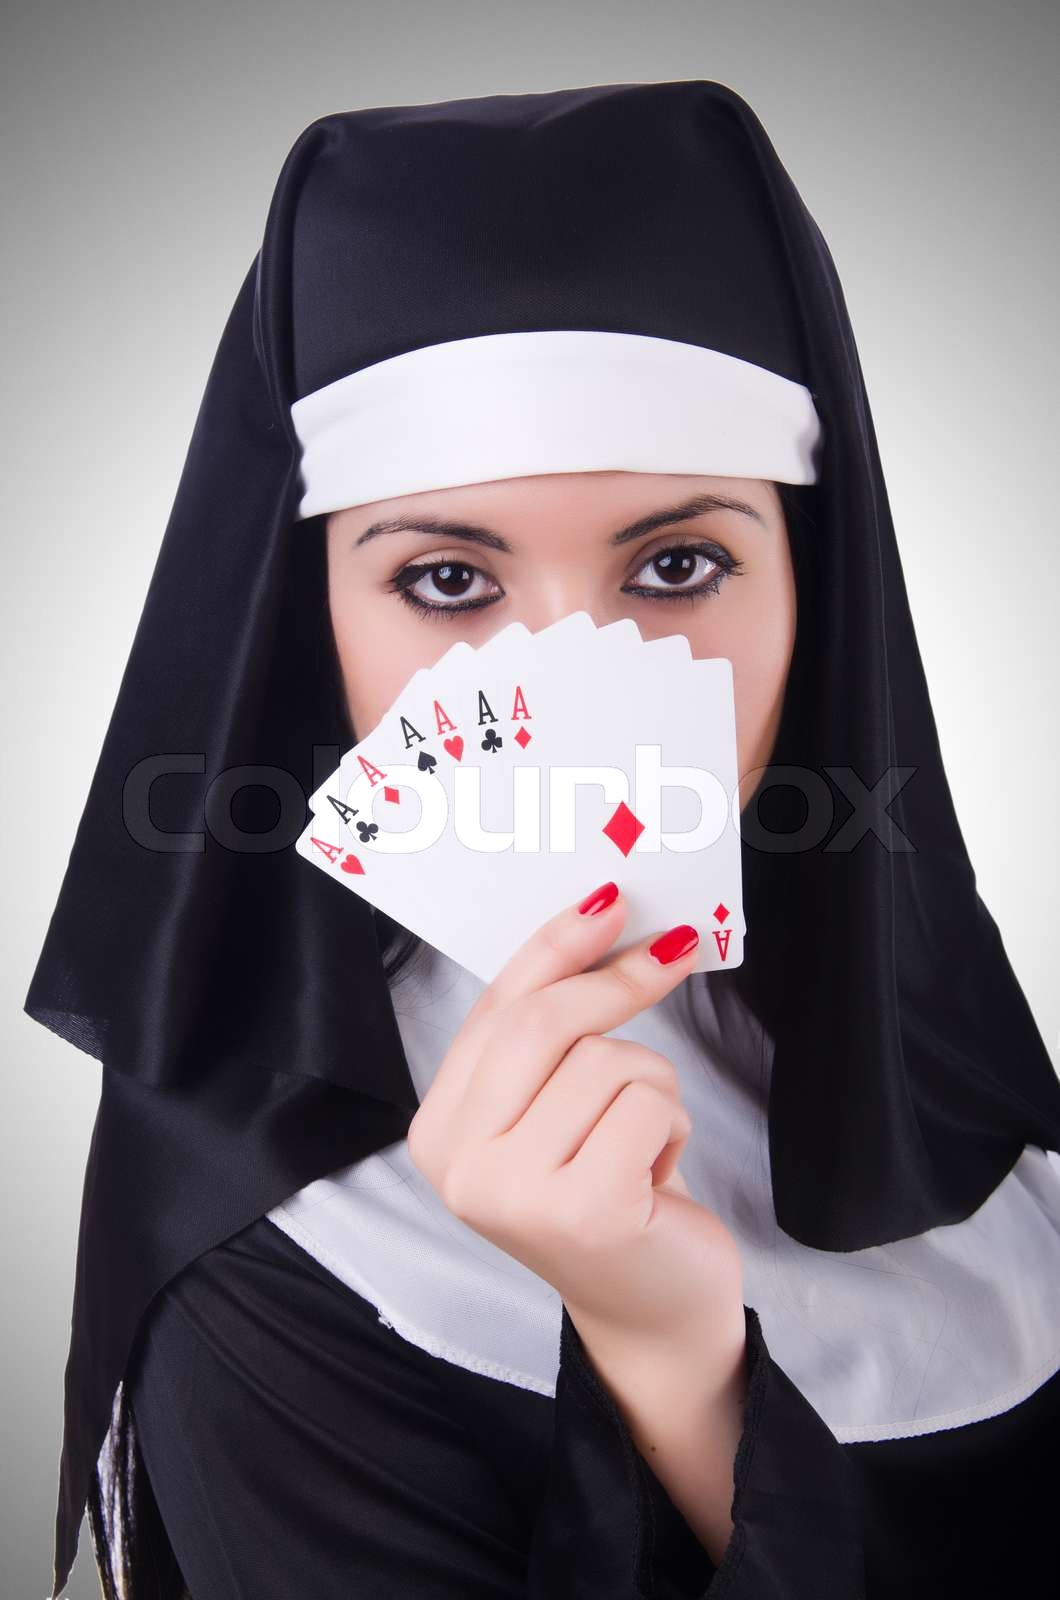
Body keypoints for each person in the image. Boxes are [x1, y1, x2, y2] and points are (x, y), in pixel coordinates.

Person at [25, 80, 1060, 1599]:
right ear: (316, 622)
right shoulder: (269, 1280)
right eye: (447, 580)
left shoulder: (954, 1076)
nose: (561, 681)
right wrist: (669, 1352)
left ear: (816, 593)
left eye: (682, 561)